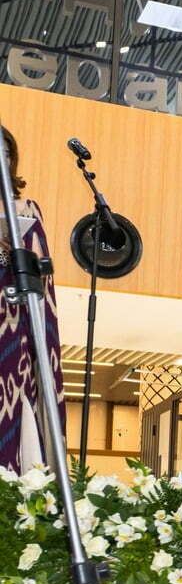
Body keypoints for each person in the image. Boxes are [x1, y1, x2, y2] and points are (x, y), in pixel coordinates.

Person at [0, 126, 64, 474]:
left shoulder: (25, 208)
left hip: (14, 323)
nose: (3, 159)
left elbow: (40, 270)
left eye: (7, 153)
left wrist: (10, 254)